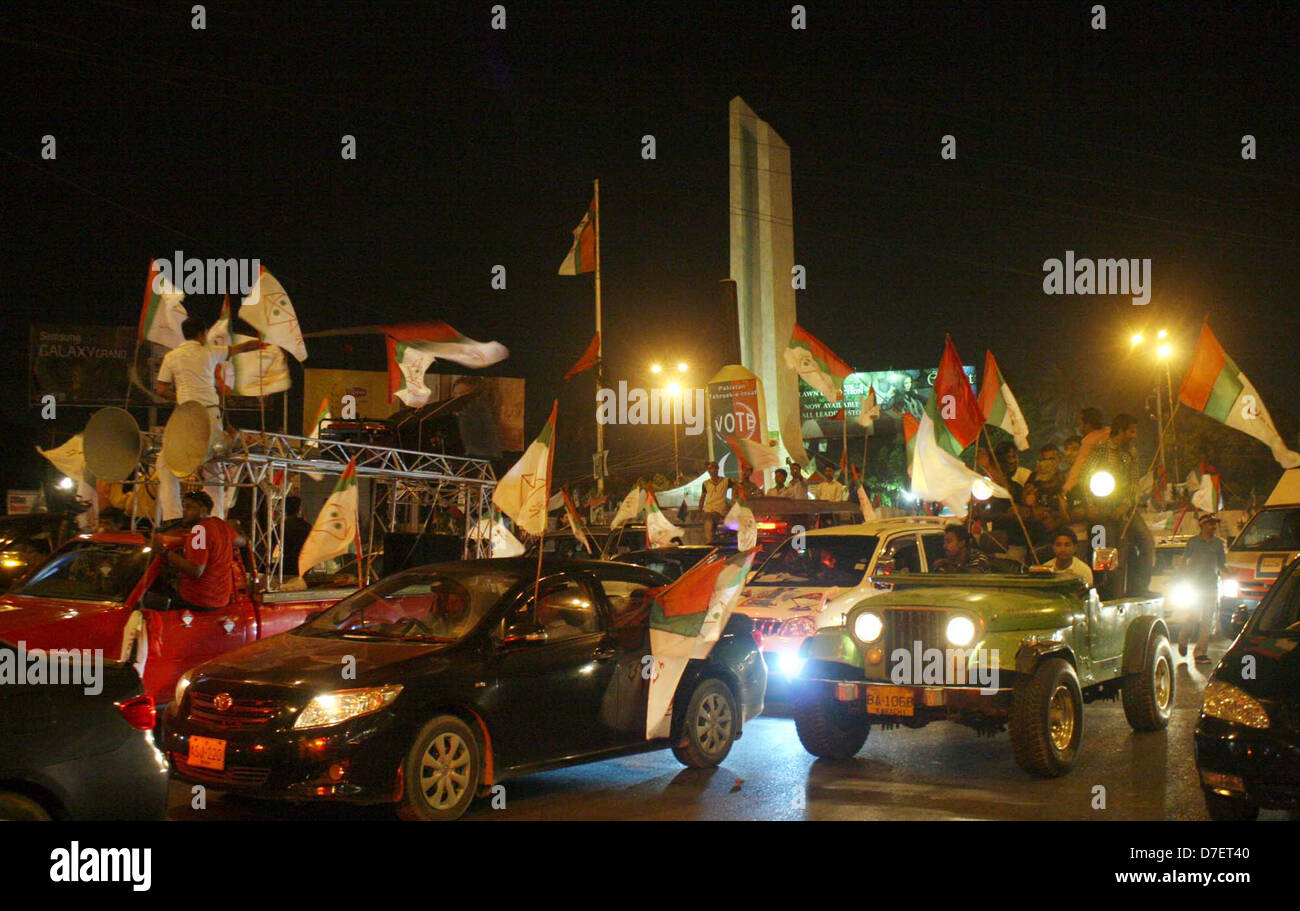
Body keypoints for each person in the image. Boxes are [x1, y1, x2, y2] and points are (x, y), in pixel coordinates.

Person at [155, 317, 265, 523]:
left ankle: (172, 517)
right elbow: (241, 348)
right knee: (213, 465)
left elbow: (161, 389)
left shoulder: (171, 357)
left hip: (185, 416)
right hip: (209, 416)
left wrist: (180, 397)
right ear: (202, 334)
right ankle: (216, 518)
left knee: (164, 462)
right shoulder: (209, 352)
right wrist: (261, 343)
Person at [1083, 413, 1155, 594]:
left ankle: (1140, 588)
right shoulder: (1100, 450)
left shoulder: (1130, 453)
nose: (1134, 435)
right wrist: (1090, 504)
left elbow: (1133, 482)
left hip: (1126, 510)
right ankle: (1110, 594)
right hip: (1102, 510)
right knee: (1110, 556)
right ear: (1121, 431)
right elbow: (1086, 478)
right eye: (1131, 431)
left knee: (1147, 542)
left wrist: (1127, 503)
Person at [150, 491, 246, 611]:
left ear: (203, 511)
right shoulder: (220, 524)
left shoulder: (199, 531)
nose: (184, 511)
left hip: (199, 599)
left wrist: (164, 551)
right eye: (184, 506)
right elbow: (243, 541)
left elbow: (195, 571)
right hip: (221, 599)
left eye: (190, 507)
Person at [1182, 513, 1227, 663]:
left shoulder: (1218, 544)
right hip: (1195, 586)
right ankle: (1183, 638)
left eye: (1215, 524)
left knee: (1207, 621)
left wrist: (1230, 574)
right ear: (1202, 525)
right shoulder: (1193, 542)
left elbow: (1221, 564)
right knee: (1193, 617)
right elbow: (1184, 561)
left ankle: (1200, 653)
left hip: (1211, 587)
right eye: (1210, 523)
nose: (1213, 526)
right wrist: (1182, 576)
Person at [696, 461, 732, 541]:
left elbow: (737, 488)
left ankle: (710, 541)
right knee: (708, 518)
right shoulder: (706, 483)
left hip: (720, 510)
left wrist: (733, 501)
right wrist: (699, 512)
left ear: (717, 469)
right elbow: (702, 498)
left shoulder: (726, 481)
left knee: (710, 519)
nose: (712, 470)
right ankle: (710, 540)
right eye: (710, 469)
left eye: (714, 468)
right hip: (708, 510)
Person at [282, 495, 314, 578]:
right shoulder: (306, 526)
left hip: (286, 566)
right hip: (304, 565)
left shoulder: (281, 527)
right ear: (299, 509)